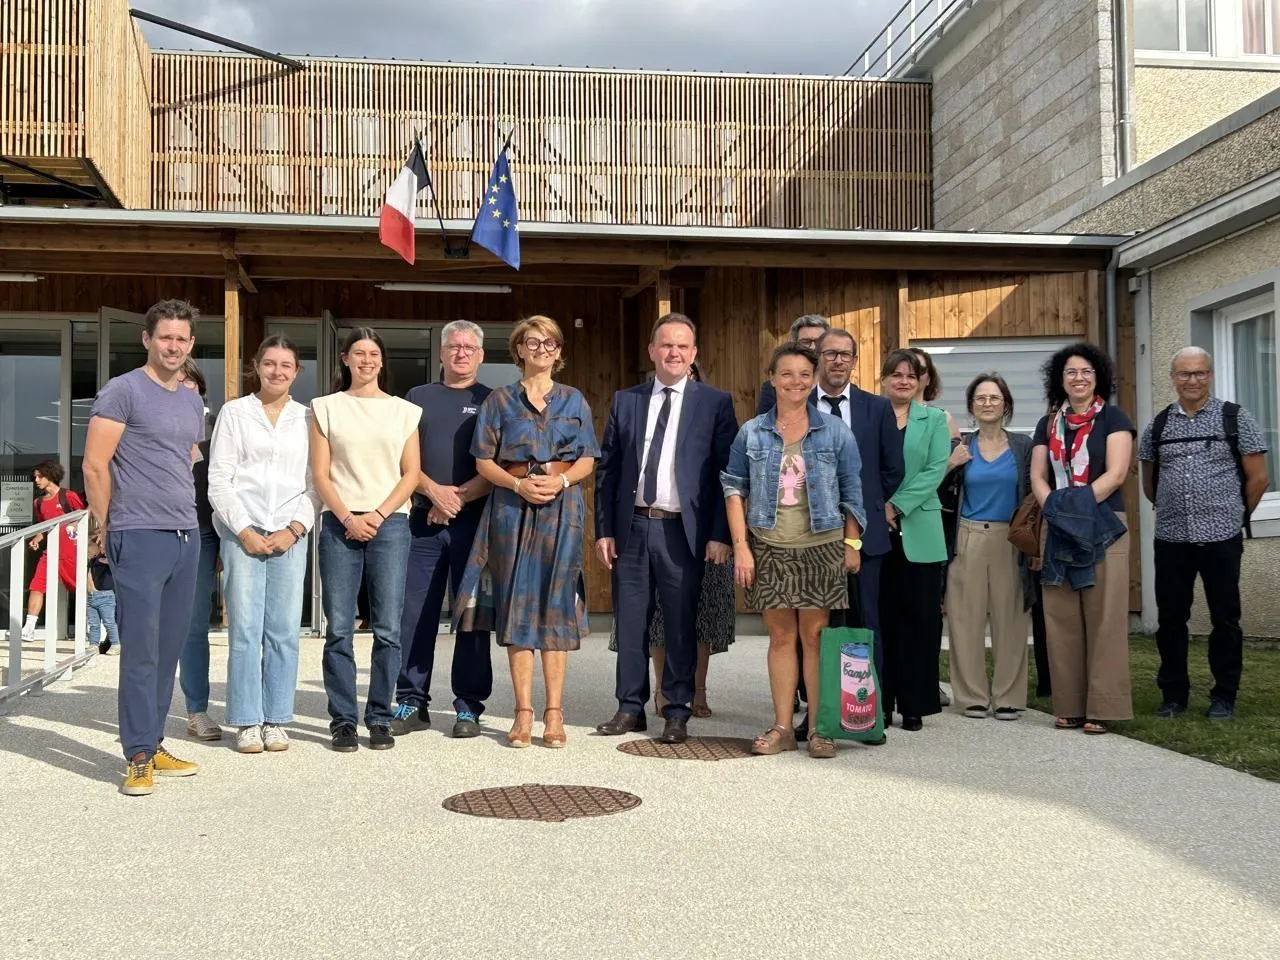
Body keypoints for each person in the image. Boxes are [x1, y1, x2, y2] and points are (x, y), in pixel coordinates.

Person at [454, 315, 599, 749]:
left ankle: (554, 713)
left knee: (556, 606)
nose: (541, 349)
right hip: (511, 509)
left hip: (561, 509)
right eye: (532, 342)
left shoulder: (574, 399)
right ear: (518, 349)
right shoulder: (499, 400)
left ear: (559, 351)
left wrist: (562, 480)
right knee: (516, 607)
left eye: (549, 343)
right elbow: (483, 460)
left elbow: (588, 458)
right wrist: (517, 485)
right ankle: (523, 713)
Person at [595, 314, 737, 743]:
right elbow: (608, 471)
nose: (674, 352)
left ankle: (676, 710)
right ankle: (629, 707)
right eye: (666, 345)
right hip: (633, 528)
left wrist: (720, 534)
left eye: (682, 346)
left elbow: (727, 474)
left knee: (679, 623)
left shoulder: (714, 403)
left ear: (693, 354)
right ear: (652, 351)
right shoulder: (626, 401)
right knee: (630, 622)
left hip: (682, 533)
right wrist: (604, 530)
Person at [83, 299, 206, 796]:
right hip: (137, 534)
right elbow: (94, 464)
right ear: (147, 340)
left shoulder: (190, 401)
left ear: (190, 344)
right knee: (140, 651)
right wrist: (106, 526)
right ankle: (136, 755)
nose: (173, 346)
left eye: (181, 338)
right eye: (165, 337)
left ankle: (153, 743)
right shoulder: (123, 391)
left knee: (169, 648)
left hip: (185, 535)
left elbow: (185, 459)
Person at [722, 342, 865, 758]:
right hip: (770, 546)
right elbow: (734, 489)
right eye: (787, 374)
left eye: (804, 374)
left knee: (814, 636)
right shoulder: (751, 431)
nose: (796, 382)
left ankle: (819, 729)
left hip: (821, 546)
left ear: (814, 378)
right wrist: (742, 547)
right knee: (781, 636)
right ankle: (783, 727)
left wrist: (852, 543)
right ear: (772, 379)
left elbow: (853, 491)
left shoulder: (835, 431)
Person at [1138, 346, 1269, 721]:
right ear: (1173, 378)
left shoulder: (1235, 418)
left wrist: (1232, 516)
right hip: (1172, 538)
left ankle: (1223, 696)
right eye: (1184, 373)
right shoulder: (1158, 426)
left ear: (1210, 375)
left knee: (1225, 619)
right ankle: (1173, 697)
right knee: (1171, 619)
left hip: (1222, 537)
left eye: (1199, 373)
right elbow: (1150, 484)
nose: (1192, 380)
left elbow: (1259, 478)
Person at [310, 327, 421, 753]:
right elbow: (321, 474)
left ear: (381, 360)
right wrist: (347, 517)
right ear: (345, 359)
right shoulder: (325, 408)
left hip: (389, 523)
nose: (367, 360)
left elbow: (411, 473)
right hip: (339, 522)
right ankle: (342, 720)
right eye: (359, 353)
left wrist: (376, 515)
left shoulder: (404, 412)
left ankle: (379, 717)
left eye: (374, 353)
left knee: (388, 629)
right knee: (339, 628)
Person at [792, 325, 903, 740]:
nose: (838, 361)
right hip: (810, 537)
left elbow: (892, 470)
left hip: (866, 540)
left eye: (846, 354)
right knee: (815, 630)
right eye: (830, 353)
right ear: (818, 358)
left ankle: (869, 714)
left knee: (866, 624)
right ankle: (817, 715)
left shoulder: (877, 408)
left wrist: (865, 508)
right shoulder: (799, 407)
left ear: (855, 361)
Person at [208, 334, 316, 754]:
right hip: (243, 531)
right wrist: (244, 530)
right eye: (269, 363)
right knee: (245, 630)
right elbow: (219, 480)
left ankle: (276, 719)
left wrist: (295, 529)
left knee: (284, 631)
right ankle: (246, 720)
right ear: (256, 366)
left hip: (290, 532)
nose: (277, 371)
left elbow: (316, 483)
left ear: (297, 371)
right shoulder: (235, 413)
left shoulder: (309, 418)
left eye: (286, 365)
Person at [390, 320, 494, 740]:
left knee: (471, 616)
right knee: (415, 614)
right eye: (454, 346)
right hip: (424, 523)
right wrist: (434, 493)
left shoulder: (492, 400)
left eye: (470, 347)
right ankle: (411, 701)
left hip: (475, 524)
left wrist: (456, 500)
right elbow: (403, 459)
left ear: (481, 355)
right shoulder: (417, 398)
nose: (461, 352)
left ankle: (469, 706)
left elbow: (498, 466)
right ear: (442, 352)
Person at [1030, 342, 1135, 735]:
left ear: (1098, 377)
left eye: (1086, 371)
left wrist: (1075, 505)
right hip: (1058, 524)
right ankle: (1070, 705)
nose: (1079, 378)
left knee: (1104, 616)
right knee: (1061, 616)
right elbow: (1037, 476)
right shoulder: (1047, 424)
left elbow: (1117, 474)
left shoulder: (1114, 418)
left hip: (1103, 523)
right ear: (1060, 380)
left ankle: (1103, 707)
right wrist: (1055, 508)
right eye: (1071, 372)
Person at [943, 374, 1034, 720]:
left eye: (994, 398)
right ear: (971, 406)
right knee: (965, 620)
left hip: (1009, 539)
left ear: (1006, 404)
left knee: (1011, 619)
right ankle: (972, 697)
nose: (987, 403)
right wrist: (950, 464)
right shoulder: (961, 446)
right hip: (968, 537)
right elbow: (935, 487)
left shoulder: (1022, 446)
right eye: (980, 398)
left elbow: (1032, 492)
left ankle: (1008, 696)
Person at [879, 349, 951, 731]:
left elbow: (935, 470)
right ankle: (880, 701)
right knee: (882, 618)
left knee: (919, 621)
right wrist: (878, 507)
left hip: (920, 529)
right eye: (897, 374)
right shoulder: (872, 416)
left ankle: (914, 704)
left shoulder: (935, 420)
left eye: (911, 375)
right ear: (884, 379)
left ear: (921, 380)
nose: (904, 381)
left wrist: (896, 505)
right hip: (876, 531)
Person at [171, 359, 223, 743]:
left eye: (190, 382)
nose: (183, 386)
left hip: (206, 531)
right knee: (158, 625)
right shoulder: (144, 422)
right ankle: (150, 711)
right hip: (158, 531)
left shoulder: (218, 428)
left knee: (194, 624)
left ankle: (198, 709)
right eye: (176, 380)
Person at [910, 345, 961, 709]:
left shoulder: (942, 418)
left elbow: (951, 467)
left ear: (928, 378)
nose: (912, 377)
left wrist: (949, 464)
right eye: (904, 370)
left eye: (920, 370)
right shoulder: (882, 414)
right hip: (892, 521)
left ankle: (928, 683)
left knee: (928, 610)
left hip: (933, 518)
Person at [21, 460, 84, 641]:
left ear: (51, 475)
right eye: (35, 477)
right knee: (37, 586)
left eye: (40, 476)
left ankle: (98, 628)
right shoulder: (38, 502)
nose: (36, 480)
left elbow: (85, 518)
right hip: (50, 553)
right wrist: (37, 539)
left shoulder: (68, 496)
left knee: (82, 589)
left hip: (71, 552)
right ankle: (29, 628)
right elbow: (44, 528)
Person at [85, 517, 120, 656]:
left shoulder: (108, 559)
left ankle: (116, 643)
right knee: (93, 623)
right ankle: (93, 644)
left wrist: (104, 542)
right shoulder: (92, 560)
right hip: (92, 596)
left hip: (106, 596)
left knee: (109, 622)